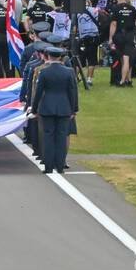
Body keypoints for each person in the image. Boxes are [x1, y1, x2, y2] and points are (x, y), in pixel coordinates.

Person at [31, 46, 78, 174]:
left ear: (48, 56)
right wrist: (74, 109)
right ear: (60, 57)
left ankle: (49, 166)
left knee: (48, 137)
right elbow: (73, 91)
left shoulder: (44, 72)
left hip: (47, 107)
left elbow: (39, 92)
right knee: (61, 137)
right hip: (64, 107)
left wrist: (34, 109)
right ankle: (60, 165)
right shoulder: (69, 72)